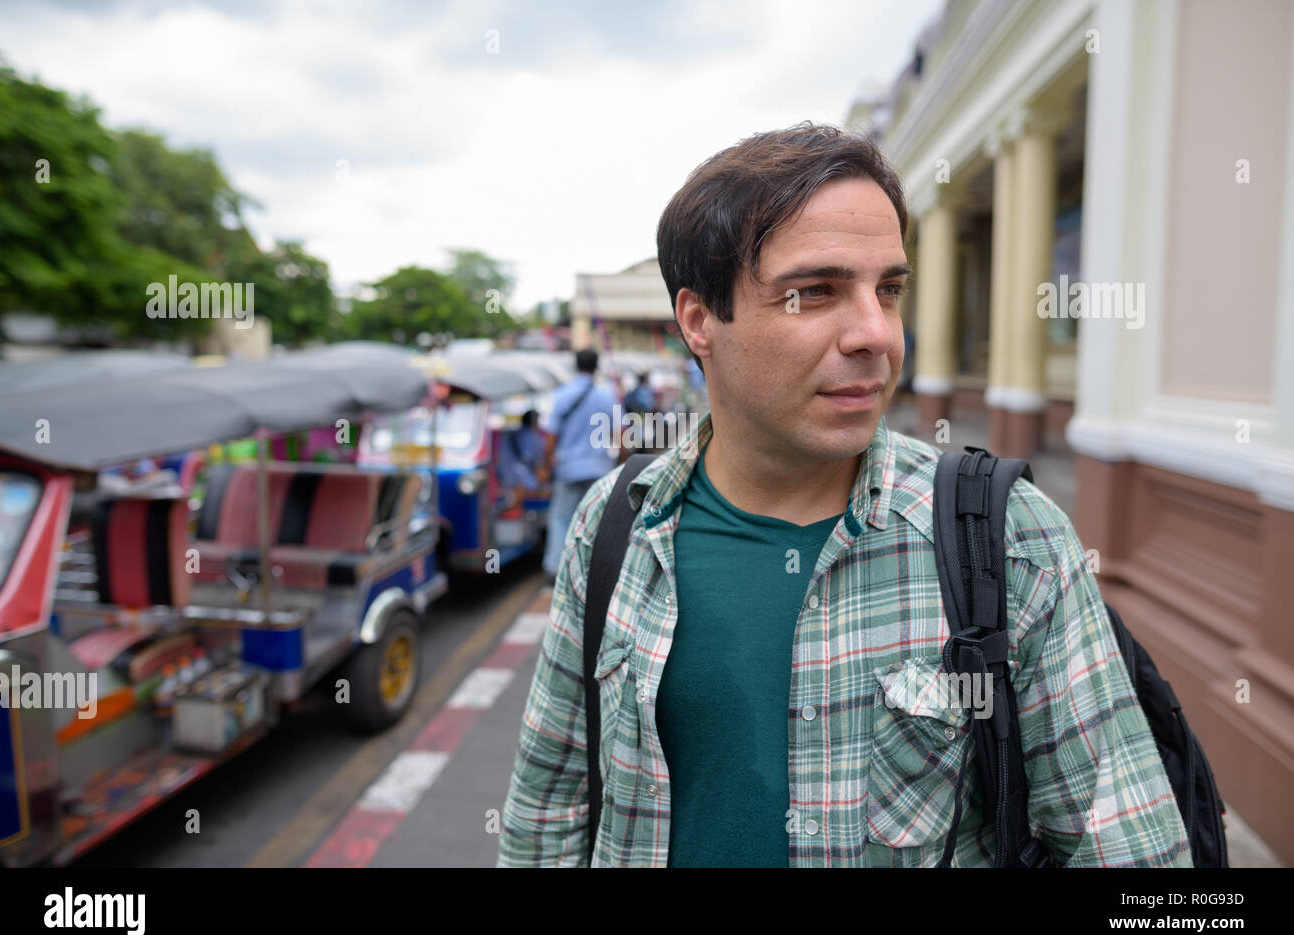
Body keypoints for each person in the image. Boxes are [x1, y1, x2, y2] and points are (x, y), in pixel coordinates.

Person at [500, 123, 1191, 868]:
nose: (877, 333)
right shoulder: (616, 527)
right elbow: (545, 820)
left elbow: (1134, 856)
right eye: (814, 292)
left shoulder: (1006, 537)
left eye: (888, 290)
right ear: (700, 320)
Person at [539, 349, 618, 583]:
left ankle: (556, 567)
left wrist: (546, 466)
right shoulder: (607, 396)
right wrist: (619, 464)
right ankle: (594, 568)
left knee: (561, 517)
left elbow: (551, 437)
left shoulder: (562, 395)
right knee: (596, 518)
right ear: (596, 367)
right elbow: (623, 435)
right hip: (599, 468)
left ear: (575, 366)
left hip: (568, 468)